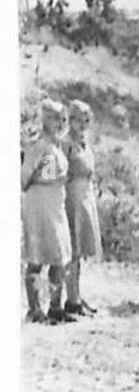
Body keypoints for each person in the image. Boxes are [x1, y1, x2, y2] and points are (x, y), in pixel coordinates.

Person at [22, 98, 74, 323]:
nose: (60, 123)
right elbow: (27, 178)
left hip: (56, 204)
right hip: (40, 205)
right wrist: (53, 177)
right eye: (55, 119)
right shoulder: (39, 146)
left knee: (59, 256)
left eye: (62, 119)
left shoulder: (56, 146)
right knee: (38, 255)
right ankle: (34, 309)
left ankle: (55, 305)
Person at [62, 100, 102, 317]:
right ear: (71, 119)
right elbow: (51, 174)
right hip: (72, 197)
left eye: (87, 119)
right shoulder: (64, 143)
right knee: (72, 249)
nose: (84, 123)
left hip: (85, 196)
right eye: (79, 119)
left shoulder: (84, 143)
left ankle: (76, 294)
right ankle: (71, 299)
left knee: (80, 252)